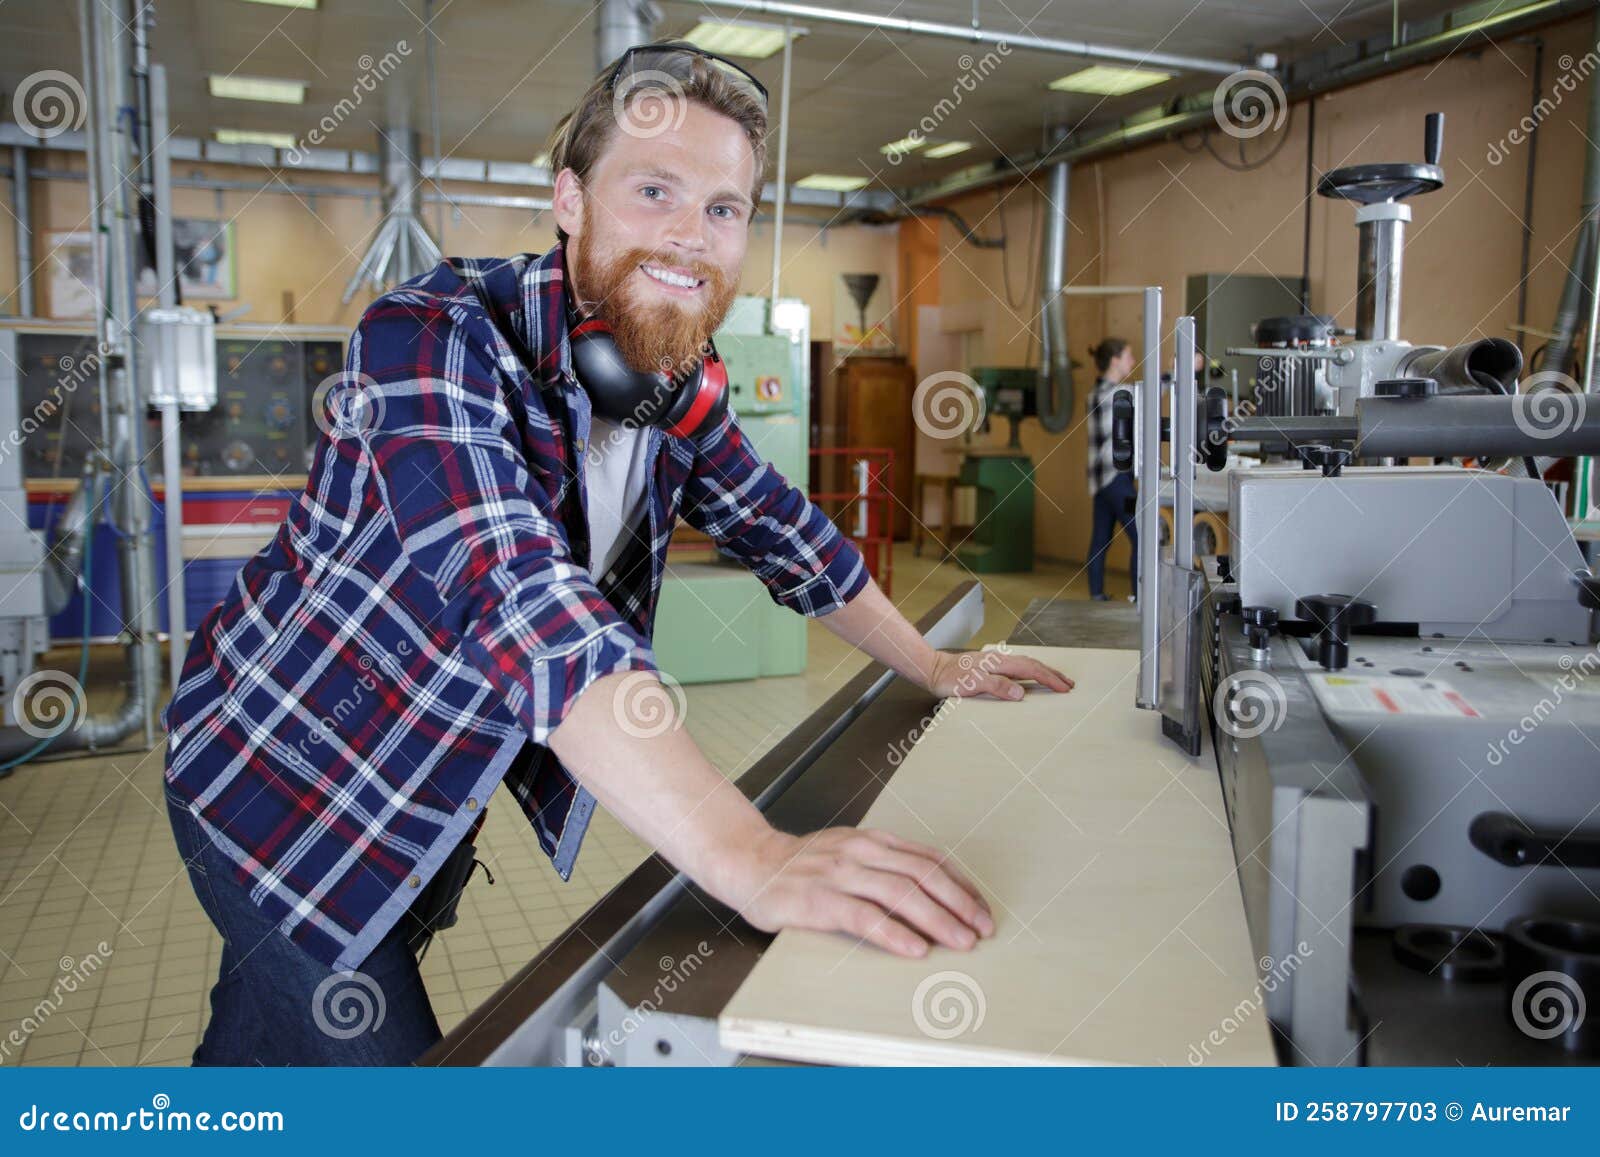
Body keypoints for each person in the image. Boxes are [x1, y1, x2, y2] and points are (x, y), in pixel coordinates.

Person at [159, 40, 1077, 1066]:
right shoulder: (430, 339)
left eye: (724, 208)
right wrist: (750, 852)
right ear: (569, 200)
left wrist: (935, 661)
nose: (692, 236)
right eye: (653, 190)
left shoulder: (669, 378)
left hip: (411, 811)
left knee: (256, 1056)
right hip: (283, 785)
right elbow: (518, 594)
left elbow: (787, 529)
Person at [1085, 337, 1138, 602]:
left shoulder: (1097, 393)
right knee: (1142, 535)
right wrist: (1174, 373)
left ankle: (1096, 596)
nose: (1133, 361)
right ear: (1115, 360)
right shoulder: (1115, 395)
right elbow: (1148, 392)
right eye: (1128, 356)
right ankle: (1140, 598)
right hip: (1117, 480)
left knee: (1100, 541)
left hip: (1100, 482)